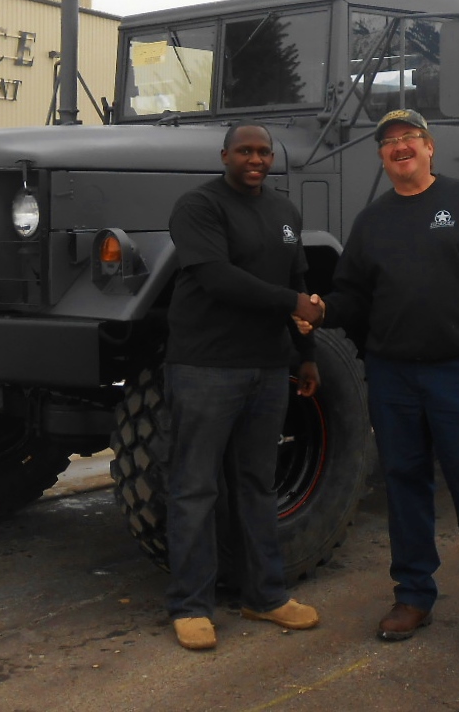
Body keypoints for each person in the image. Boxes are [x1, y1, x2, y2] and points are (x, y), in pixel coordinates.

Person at [308, 108, 459, 652]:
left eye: (408, 138)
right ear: (381, 157)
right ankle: (413, 595)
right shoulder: (372, 221)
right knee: (405, 486)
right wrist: (318, 310)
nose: (399, 147)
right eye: (388, 142)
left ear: (429, 147)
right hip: (394, 377)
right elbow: (354, 296)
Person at [162, 123, 326, 651]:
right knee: (195, 488)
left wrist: (306, 355)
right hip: (206, 368)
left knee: (258, 485)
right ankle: (191, 607)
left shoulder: (284, 213)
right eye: (244, 151)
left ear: (272, 158)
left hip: (267, 370)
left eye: (263, 152)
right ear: (225, 155)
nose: (255, 159)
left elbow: (297, 282)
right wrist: (291, 304)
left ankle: (266, 596)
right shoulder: (198, 207)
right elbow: (215, 276)